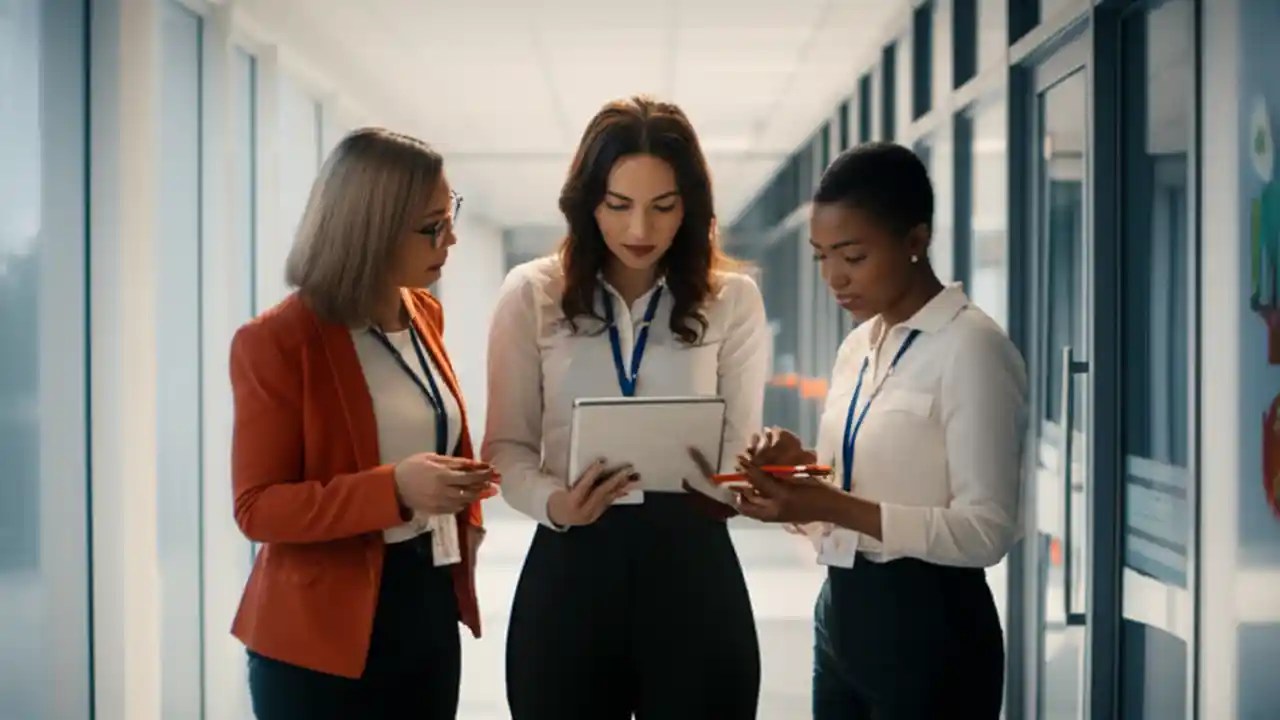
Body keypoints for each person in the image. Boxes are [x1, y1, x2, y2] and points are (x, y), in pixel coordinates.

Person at [712, 142, 1027, 719]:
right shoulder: (858, 346)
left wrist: (832, 500)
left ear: (915, 240)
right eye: (821, 256)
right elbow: (844, 489)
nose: (834, 277)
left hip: (933, 631)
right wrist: (796, 475)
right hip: (841, 616)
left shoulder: (972, 348)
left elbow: (988, 530)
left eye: (853, 255)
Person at [483, 95, 770, 719]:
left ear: (690, 206)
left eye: (663, 207)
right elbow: (505, 449)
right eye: (619, 206)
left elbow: (738, 450)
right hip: (571, 564)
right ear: (587, 202)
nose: (640, 230)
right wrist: (556, 503)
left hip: (694, 565)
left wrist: (743, 482)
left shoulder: (733, 301)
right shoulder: (532, 294)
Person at [228, 127, 495, 720]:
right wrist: (393, 489)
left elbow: (432, 432)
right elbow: (257, 508)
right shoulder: (276, 341)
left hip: (423, 602)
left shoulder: (422, 312)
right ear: (370, 229)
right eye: (431, 225)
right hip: (317, 636)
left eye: (449, 214)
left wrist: (462, 508)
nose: (450, 238)